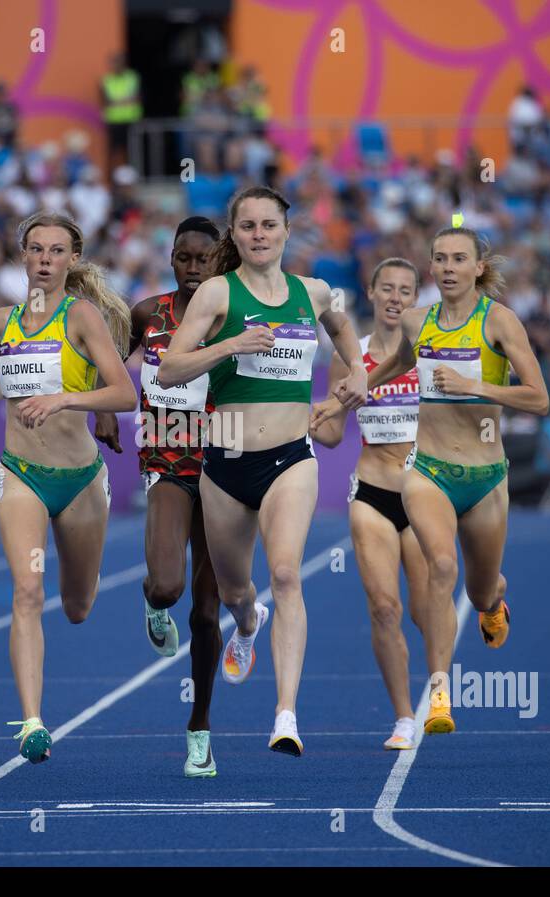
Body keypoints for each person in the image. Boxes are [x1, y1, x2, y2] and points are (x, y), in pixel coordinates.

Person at [157, 185, 368, 756]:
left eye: (268, 225)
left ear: (285, 232)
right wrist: (232, 346)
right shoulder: (217, 295)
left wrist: (358, 372)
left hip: (289, 457)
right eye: (247, 226)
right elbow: (171, 369)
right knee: (234, 590)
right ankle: (247, 626)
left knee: (287, 575)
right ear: (235, 234)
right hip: (223, 461)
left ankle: (286, 715)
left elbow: (344, 327)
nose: (258, 235)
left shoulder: (313, 291)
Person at [321, 220, 549, 735]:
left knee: (478, 590)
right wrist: (339, 397)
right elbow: (391, 366)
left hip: (486, 474)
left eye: (458, 259)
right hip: (427, 472)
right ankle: (440, 694)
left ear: (478, 268)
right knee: (440, 567)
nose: (448, 268)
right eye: (440, 259)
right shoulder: (418, 321)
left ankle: (493, 602)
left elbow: (539, 399)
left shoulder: (501, 323)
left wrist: (476, 386)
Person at [0, 211, 137, 764]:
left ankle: (82, 575)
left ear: (72, 259)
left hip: (79, 479)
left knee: (77, 606)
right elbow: (9, 370)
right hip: (20, 475)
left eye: (57, 251)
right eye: (37, 250)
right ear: (23, 256)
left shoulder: (80, 317)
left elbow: (125, 394)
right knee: (27, 592)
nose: (46, 260)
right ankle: (32, 721)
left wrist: (64, 399)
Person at [95, 215, 225, 776]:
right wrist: (103, 411)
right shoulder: (149, 314)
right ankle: (151, 600)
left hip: (226, 469)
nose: (193, 268)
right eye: (183, 258)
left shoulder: (237, 315)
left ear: (221, 259)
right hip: (168, 462)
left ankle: (199, 728)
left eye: (203, 258)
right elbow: (107, 368)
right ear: (171, 259)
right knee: (169, 587)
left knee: (206, 612)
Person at [309, 258, 428, 750]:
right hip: (372, 492)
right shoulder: (351, 355)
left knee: (427, 610)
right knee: (384, 608)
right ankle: (403, 717)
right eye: (388, 289)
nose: (396, 298)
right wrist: (316, 419)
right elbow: (334, 434)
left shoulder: (427, 351)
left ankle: (489, 593)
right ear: (373, 293)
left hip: (424, 492)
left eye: (406, 290)